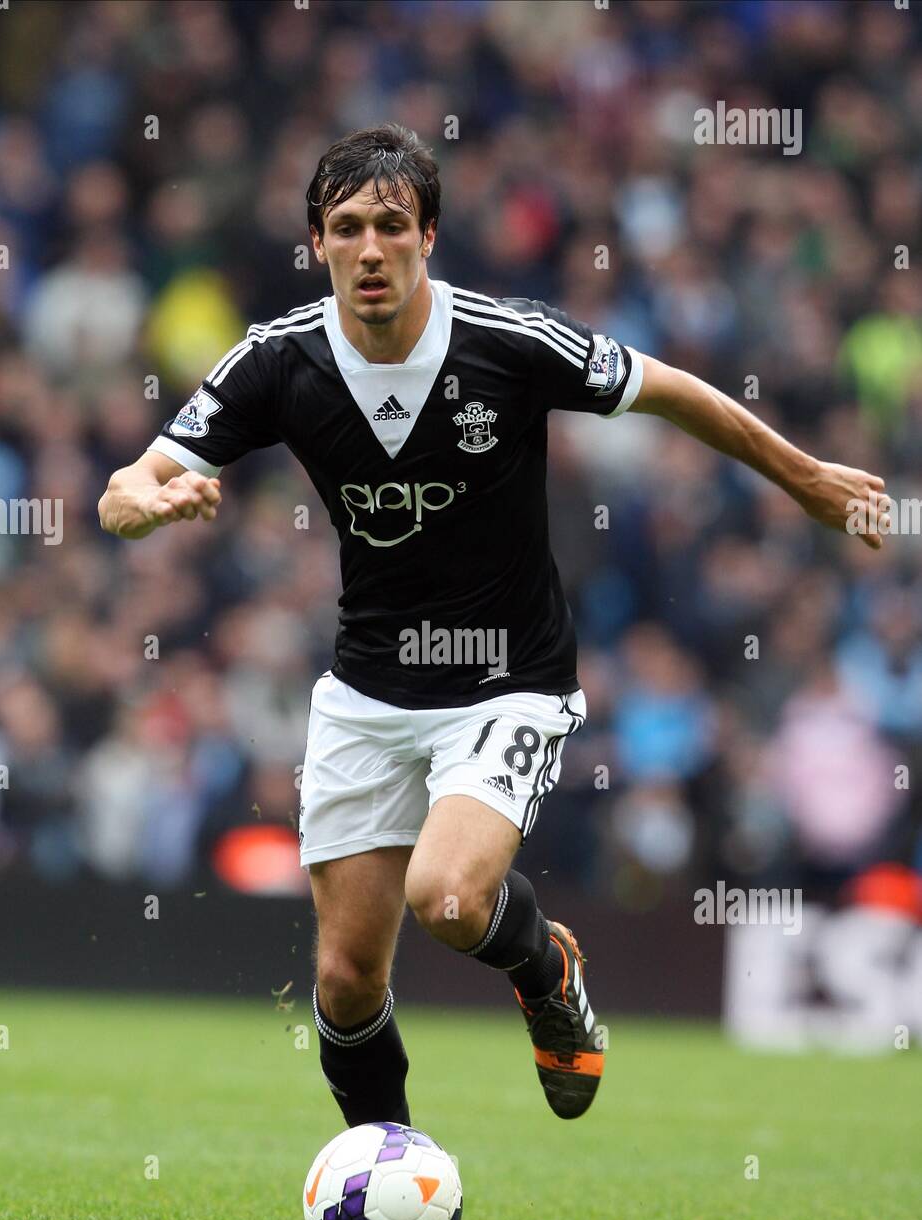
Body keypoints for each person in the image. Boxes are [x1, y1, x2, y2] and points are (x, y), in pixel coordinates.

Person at [98, 123, 890, 1126]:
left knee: (452, 898)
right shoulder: (277, 361)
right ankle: (385, 1163)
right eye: (347, 229)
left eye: (392, 225)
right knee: (344, 979)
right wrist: (150, 503)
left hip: (507, 678)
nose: (370, 248)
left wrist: (808, 478)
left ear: (429, 235)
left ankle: (545, 966)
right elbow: (124, 489)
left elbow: (672, 392)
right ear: (318, 244)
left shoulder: (508, 341)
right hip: (367, 690)